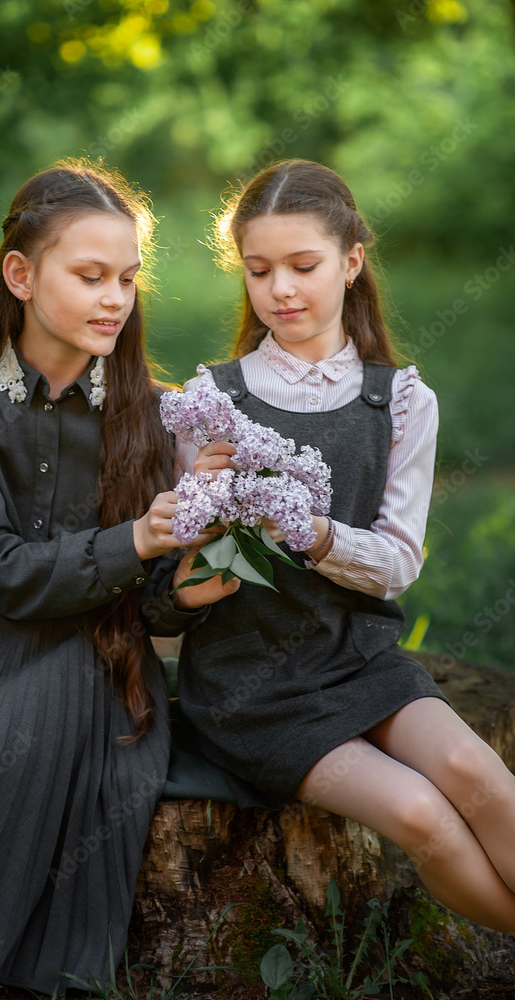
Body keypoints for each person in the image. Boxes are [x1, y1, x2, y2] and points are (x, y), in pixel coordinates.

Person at [0, 159, 238, 992]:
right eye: (91, 275)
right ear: (21, 276)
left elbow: (158, 605)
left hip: (93, 671)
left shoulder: (159, 412)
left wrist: (194, 581)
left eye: (128, 279)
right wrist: (135, 540)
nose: (114, 298)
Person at [177, 158, 515, 932]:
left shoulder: (396, 399)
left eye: (303, 266)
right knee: (422, 815)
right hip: (250, 688)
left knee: (477, 774)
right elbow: (169, 583)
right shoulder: (209, 402)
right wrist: (203, 510)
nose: (280, 291)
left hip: (357, 658)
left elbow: (395, 566)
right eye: (258, 270)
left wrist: (317, 532)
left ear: (352, 261)